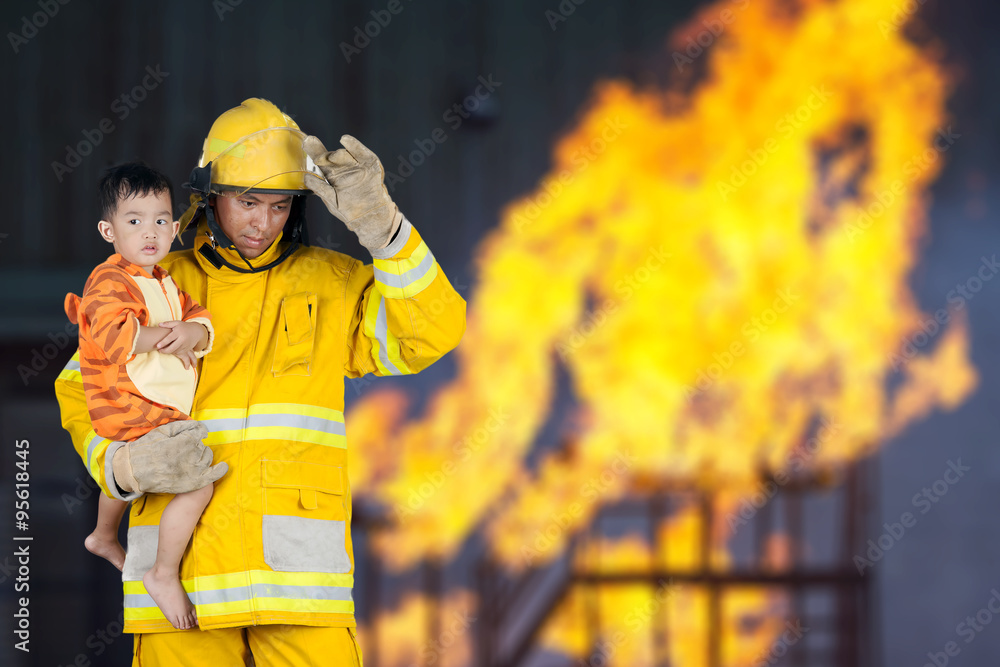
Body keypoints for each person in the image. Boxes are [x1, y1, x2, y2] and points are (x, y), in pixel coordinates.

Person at [55, 98, 467, 665]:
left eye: (278, 206)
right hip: (178, 571)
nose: (262, 222)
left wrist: (385, 229)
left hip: (297, 576)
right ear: (209, 198)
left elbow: (434, 332)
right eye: (248, 202)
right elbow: (82, 387)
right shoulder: (151, 281)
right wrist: (118, 466)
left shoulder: (335, 282)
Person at [64, 162, 222, 630]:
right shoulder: (109, 279)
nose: (148, 232)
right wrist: (162, 338)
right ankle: (163, 573)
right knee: (199, 485)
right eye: (133, 221)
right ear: (108, 230)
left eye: (159, 220)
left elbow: (198, 316)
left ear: (175, 228)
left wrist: (193, 330)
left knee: (131, 472)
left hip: (149, 406)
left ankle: (103, 534)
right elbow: (111, 336)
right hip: (129, 402)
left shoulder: (166, 280)